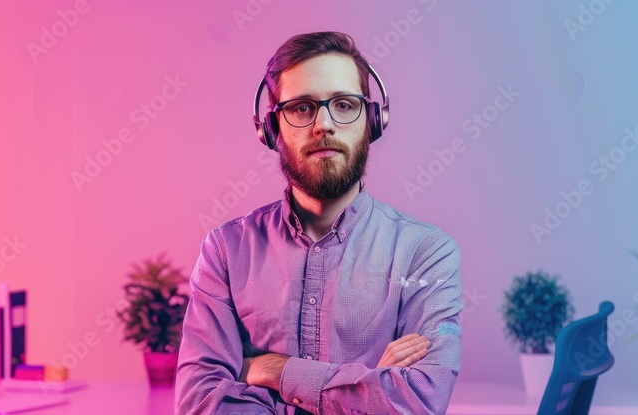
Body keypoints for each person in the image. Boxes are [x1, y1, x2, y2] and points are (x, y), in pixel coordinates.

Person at [174, 31, 463, 415]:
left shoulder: (425, 253)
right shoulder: (226, 251)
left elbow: (419, 401)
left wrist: (274, 371)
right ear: (272, 130)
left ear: (373, 121)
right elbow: (199, 403)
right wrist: (367, 385)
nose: (323, 124)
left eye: (343, 105)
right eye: (302, 108)